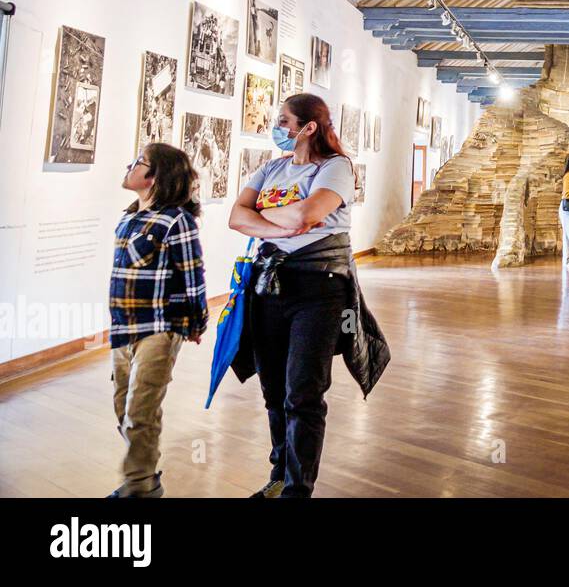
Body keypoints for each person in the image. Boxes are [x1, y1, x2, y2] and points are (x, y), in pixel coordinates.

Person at [228, 93, 389, 498]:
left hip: (319, 288)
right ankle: (279, 474)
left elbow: (307, 215)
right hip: (268, 286)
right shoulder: (271, 168)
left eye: (283, 121)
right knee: (273, 389)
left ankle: (298, 490)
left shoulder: (335, 167)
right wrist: (282, 224)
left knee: (303, 390)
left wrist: (262, 220)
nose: (278, 128)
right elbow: (235, 217)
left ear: (308, 126)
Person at [108, 143, 208, 498]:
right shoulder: (128, 216)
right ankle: (145, 478)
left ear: (155, 176)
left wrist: (195, 323)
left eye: (139, 162)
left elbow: (192, 275)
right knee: (123, 407)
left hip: (159, 328)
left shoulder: (176, 220)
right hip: (122, 327)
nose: (131, 166)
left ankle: (140, 486)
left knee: (140, 410)